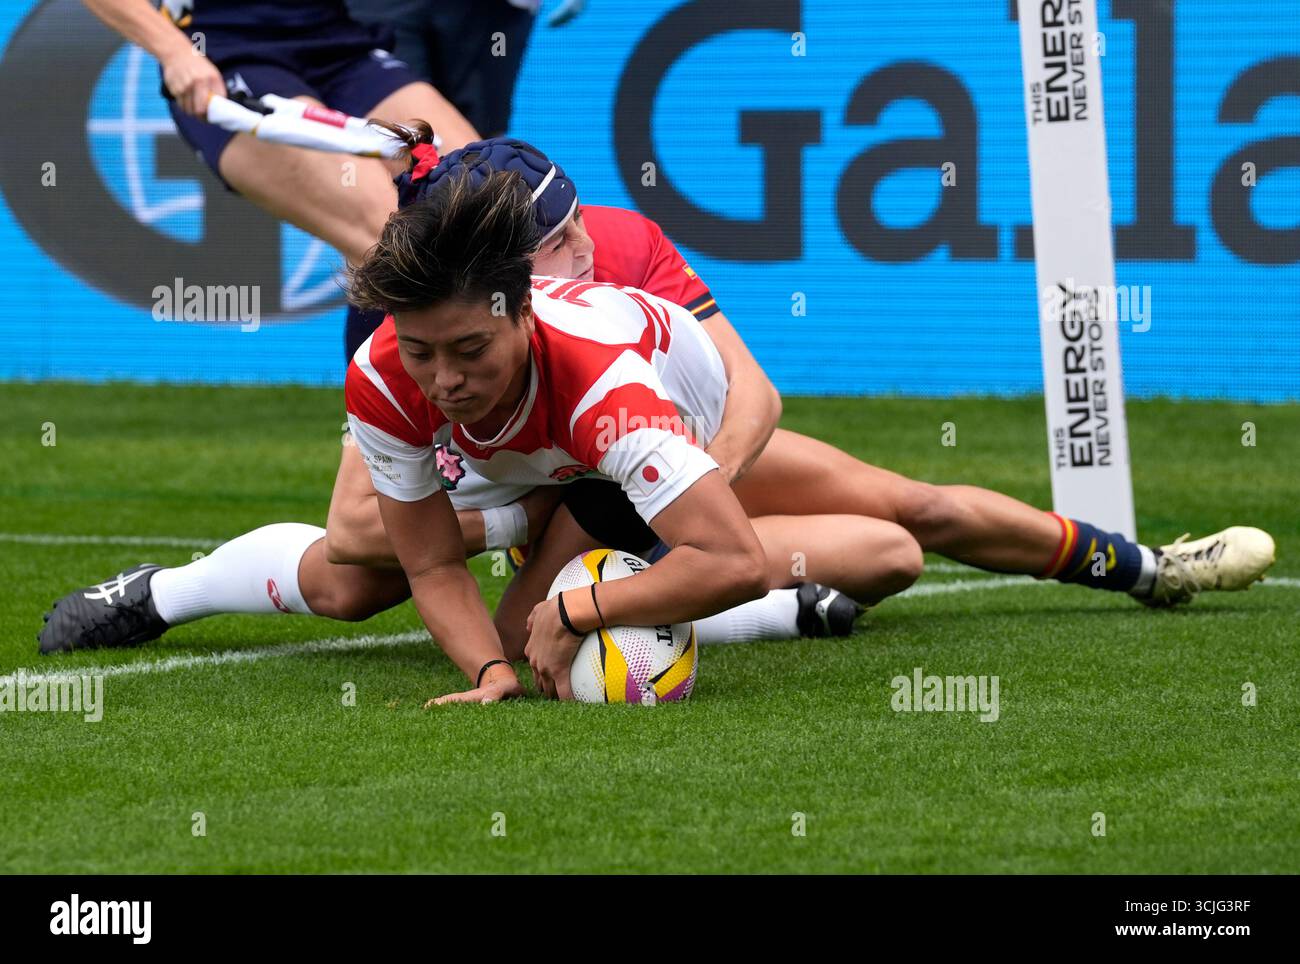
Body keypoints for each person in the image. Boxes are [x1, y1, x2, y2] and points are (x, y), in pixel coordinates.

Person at [38, 135, 1277, 676]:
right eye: (558, 243)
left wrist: (660, 502)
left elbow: (751, 388)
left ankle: (1142, 565)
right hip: (511, 476)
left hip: (630, 443)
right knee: (355, 561)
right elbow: (380, 519)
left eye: (579, 231)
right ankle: (161, 591)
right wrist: (526, 546)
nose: (585, 251)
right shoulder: (417, 316)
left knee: (902, 532)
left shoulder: (619, 261)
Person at [81, 0, 481, 358]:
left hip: (335, 39)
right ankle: (381, 439)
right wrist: (175, 52)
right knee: (390, 236)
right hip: (227, 54)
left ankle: (484, 432)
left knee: (484, 199)